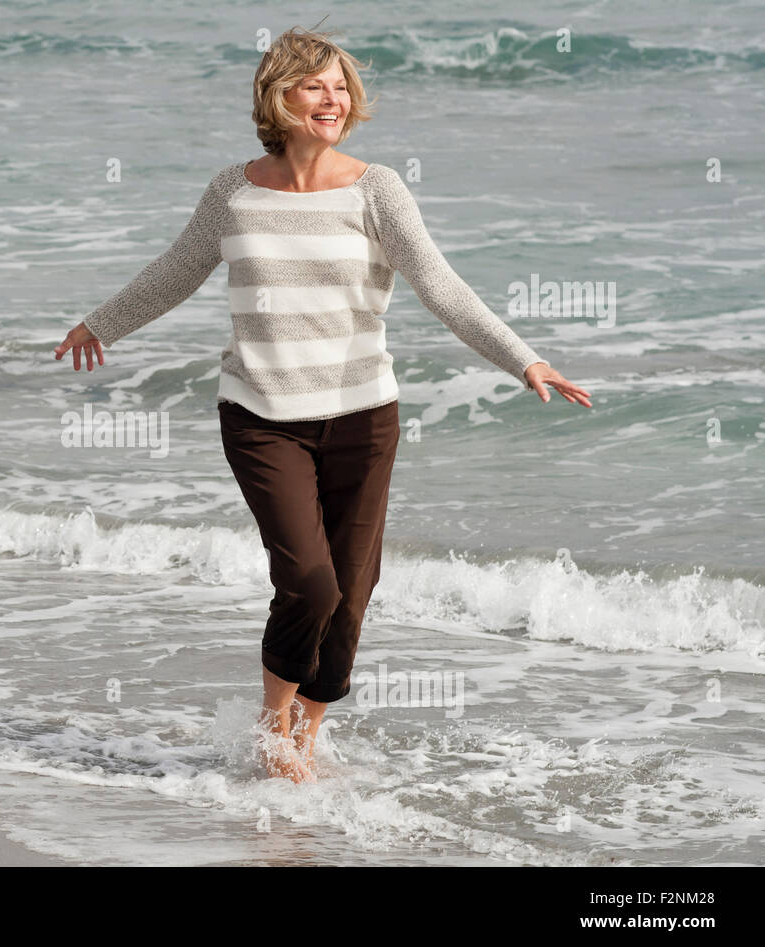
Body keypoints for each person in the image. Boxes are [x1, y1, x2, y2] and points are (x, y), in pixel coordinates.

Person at [54, 25, 591, 783]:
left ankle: (305, 740)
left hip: (363, 416)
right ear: (279, 95)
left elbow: (441, 285)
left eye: (341, 87)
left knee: (352, 592)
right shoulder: (233, 190)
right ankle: (274, 737)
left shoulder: (376, 189)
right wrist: (100, 322)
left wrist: (523, 358)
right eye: (316, 86)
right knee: (308, 580)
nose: (332, 99)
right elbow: (177, 269)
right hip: (259, 414)